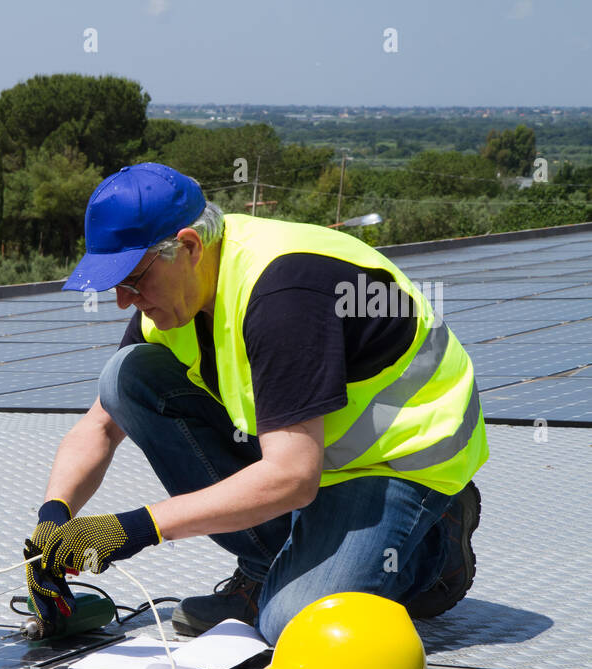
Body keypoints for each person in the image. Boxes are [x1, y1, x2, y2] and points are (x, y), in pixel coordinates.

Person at [25, 163, 487, 643]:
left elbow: (292, 477)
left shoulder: (283, 294)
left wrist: (136, 528)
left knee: (292, 624)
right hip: (312, 455)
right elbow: (98, 427)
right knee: (126, 377)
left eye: (134, 280)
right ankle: (268, 563)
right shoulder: (184, 291)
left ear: (188, 246)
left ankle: (433, 547)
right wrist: (53, 520)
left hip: (398, 460)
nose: (123, 300)